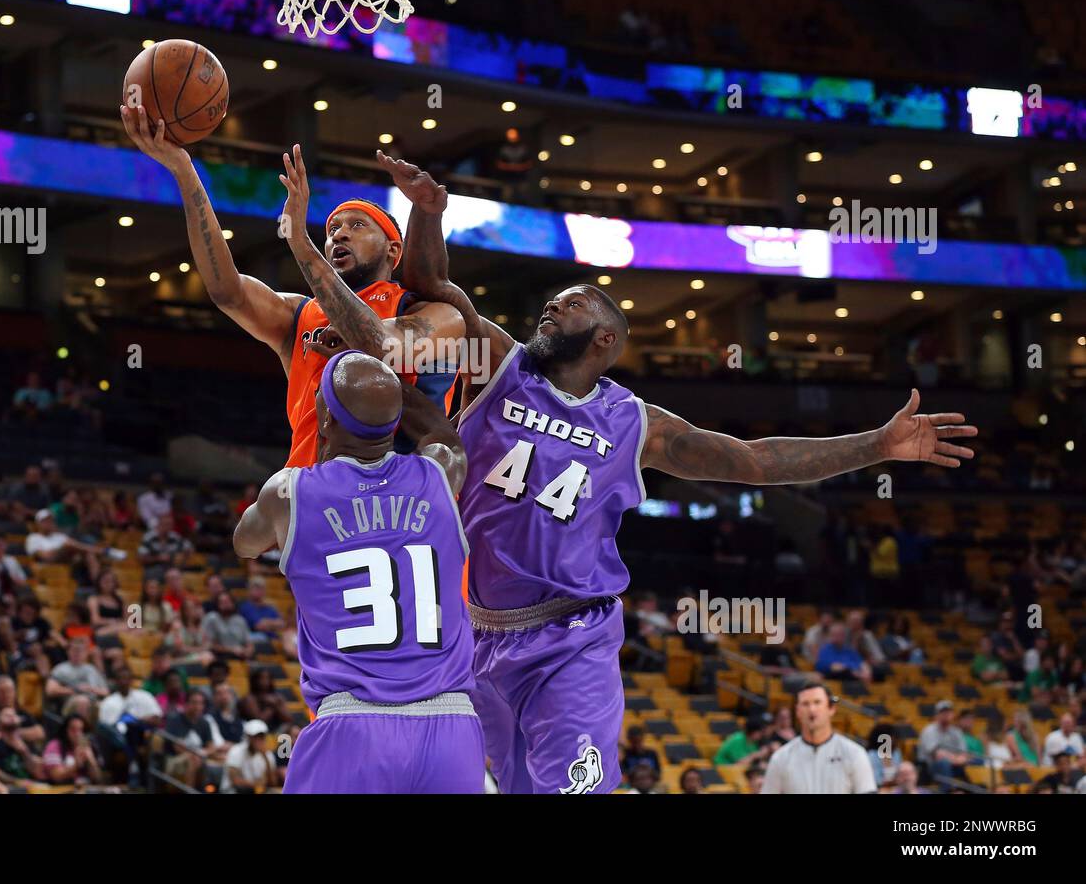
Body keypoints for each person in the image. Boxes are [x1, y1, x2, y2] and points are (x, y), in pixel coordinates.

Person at [319, 153, 976, 793]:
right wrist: (429, 214)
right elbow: (438, 290)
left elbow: (755, 460)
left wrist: (877, 445)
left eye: (572, 304)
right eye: (552, 301)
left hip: (572, 634)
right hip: (479, 632)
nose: (553, 308)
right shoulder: (498, 363)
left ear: (606, 339)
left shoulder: (637, 424)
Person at [121, 112, 465, 469]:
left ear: (394, 251)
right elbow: (227, 291)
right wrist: (183, 170)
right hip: (310, 493)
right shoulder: (301, 314)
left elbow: (379, 344)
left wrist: (300, 243)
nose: (339, 235)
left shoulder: (429, 312)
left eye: (357, 225)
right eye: (332, 230)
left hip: (398, 500)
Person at [233, 347, 481, 793]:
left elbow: (244, 543)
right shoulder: (441, 474)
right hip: (453, 727)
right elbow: (446, 436)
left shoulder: (288, 493)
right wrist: (392, 386)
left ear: (326, 422)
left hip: (353, 725)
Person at [762, 684, 876, 793]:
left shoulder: (854, 753)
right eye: (805, 704)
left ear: (831, 708)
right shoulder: (781, 758)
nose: (812, 709)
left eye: (817, 702)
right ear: (797, 711)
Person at [43, 714, 103, 785]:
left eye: (80, 730)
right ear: (65, 730)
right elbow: (56, 776)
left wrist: (91, 760)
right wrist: (76, 765)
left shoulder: (89, 746)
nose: (77, 734)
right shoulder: (54, 746)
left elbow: (98, 779)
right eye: (73, 729)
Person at [225, 719, 280, 794]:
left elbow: (273, 782)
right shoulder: (236, 751)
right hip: (235, 791)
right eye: (255, 737)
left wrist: (265, 758)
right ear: (248, 737)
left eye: (261, 736)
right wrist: (257, 785)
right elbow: (235, 781)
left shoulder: (268, 755)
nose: (258, 740)